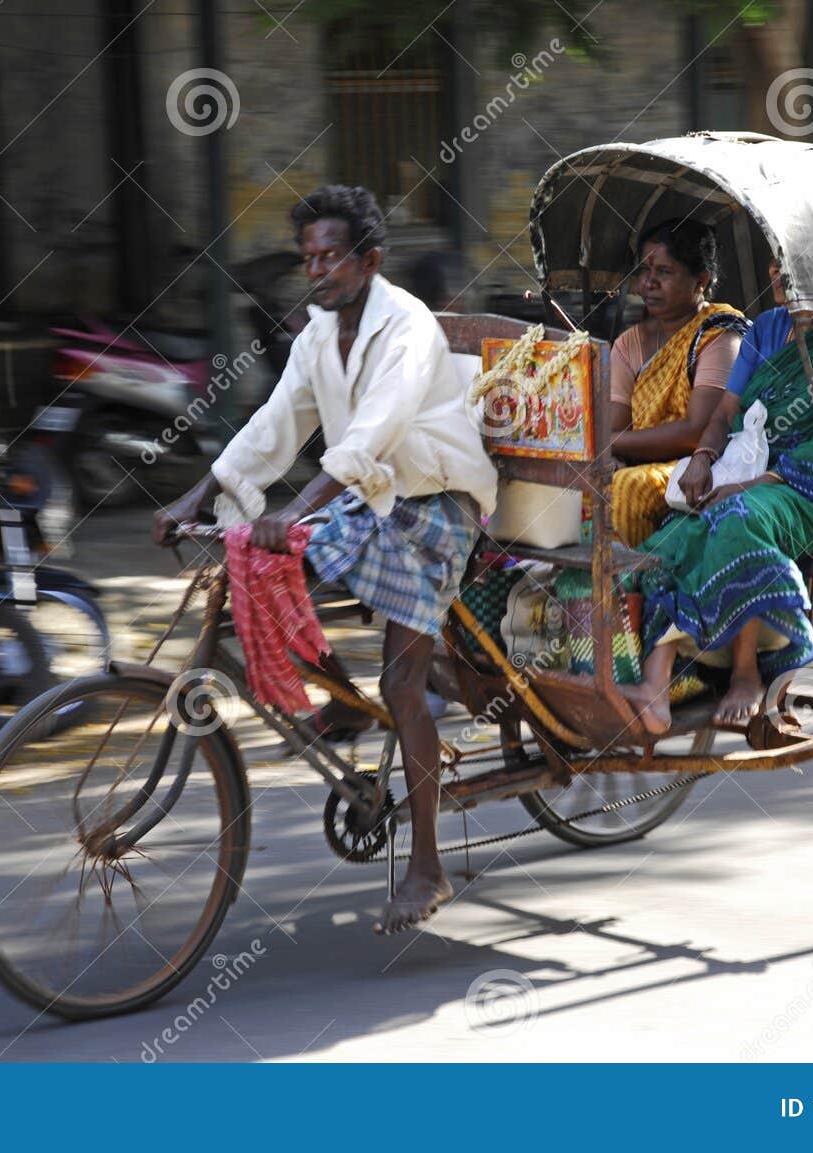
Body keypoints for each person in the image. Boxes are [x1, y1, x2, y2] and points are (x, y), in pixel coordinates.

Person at [152, 185, 499, 936]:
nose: (316, 270)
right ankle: (342, 694)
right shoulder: (316, 336)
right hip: (365, 494)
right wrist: (194, 495)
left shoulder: (405, 326)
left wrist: (293, 510)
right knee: (266, 565)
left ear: (369, 260)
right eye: (308, 257)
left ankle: (429, 864)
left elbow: (374, 429)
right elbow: (274, 421)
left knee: (404, 684)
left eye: (330, 256)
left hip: (434, 503)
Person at [619, 262, 813, 732]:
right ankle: (656, 685)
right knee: (672, 535)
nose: (777, 271)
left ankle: (748, 675)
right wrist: (704, 459)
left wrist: (745, 486)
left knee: (736, 519)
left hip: (810, 486)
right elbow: (726, 412)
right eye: (775, 260)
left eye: (793, 260)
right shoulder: (764, 329)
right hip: (744, 468)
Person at [608, 219, 748, 547]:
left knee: (628, 489)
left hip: (699, 462)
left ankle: (631, 590)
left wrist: (609, 443)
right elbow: (618, 425)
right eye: (645, 272)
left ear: (701, 281)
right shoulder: (628, 344)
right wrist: (608, 452)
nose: (649, 284)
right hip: (640, 458)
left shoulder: (719, 333)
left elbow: (697, 431)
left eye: (664, 272)